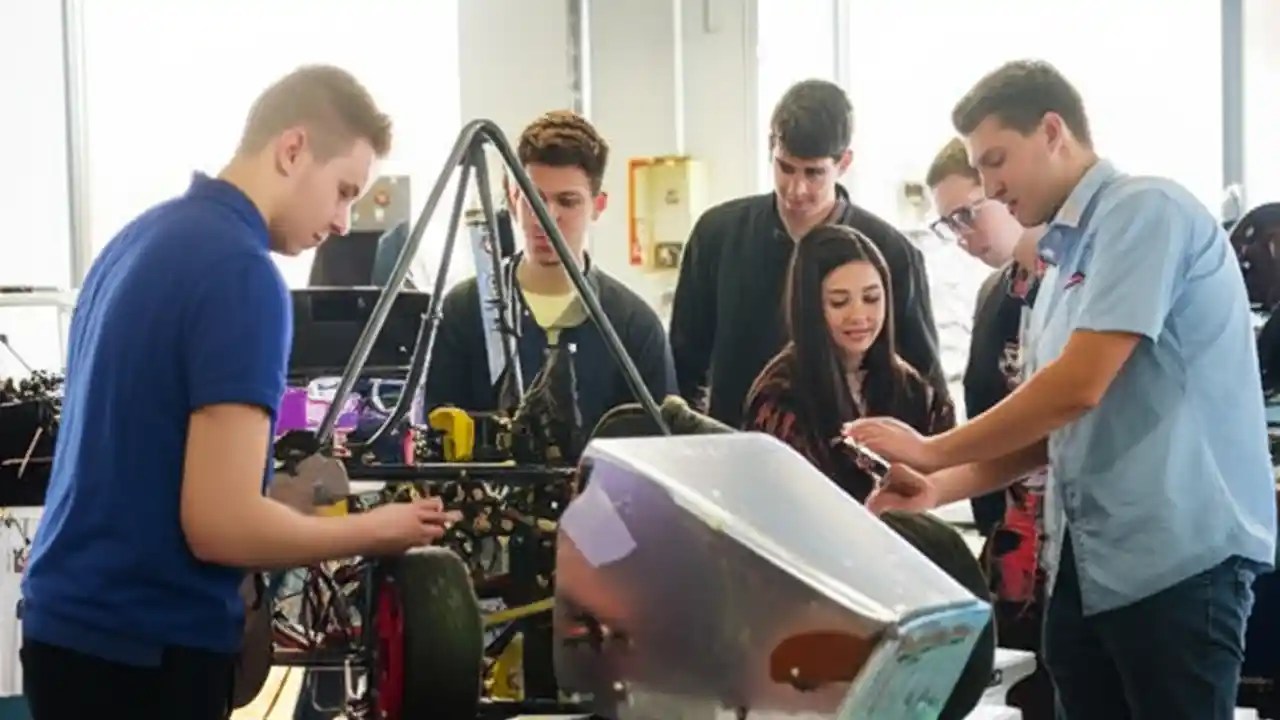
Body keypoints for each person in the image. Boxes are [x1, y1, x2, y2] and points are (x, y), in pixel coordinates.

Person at [19, 65, 459, 720]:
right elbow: (219, 528)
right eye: (343, 191)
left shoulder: (140, 238)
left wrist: (278, 503)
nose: (343, 222)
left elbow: (144, 457)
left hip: (67, 636)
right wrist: (377, 529)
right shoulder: (241, 274)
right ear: (292, 150)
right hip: (144, 658)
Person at [847, 59, 1277, 720]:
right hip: (1091, 568)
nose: (990, 186)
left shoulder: (1145, 210)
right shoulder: (1062, 262)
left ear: (1053, 131)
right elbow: (1058, 427)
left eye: (997, 160)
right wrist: (942, 486)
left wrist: (933, 449)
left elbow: (1079, 386)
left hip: (1178, 565)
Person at [669, 79, 945, 429]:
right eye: (786, 168)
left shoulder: (892, 252)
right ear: (771, 147)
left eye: (814, 173)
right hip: (735, 458)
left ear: (844, 162)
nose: (796, 189)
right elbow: (682, 366)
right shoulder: (717, 235)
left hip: (853, 471)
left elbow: (926, 385)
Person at [423, 110, 677, 439]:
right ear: (512, 200)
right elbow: (433, 439)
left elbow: (661, 454)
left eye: (567, 202)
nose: (547, 217)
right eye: (533, 199)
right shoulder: (464, 311)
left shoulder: (633, 326)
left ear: (598, 206)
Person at [926, 138, 1052, 719]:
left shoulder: (1071, 280)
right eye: (948, 224)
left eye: (967, 214)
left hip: (1075, 534)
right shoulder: (991, 294)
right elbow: (983, 415)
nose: (965, 236)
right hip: (1009, 540)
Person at [743, 224, 954, 503]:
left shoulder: (911, 386)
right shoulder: (779, 398)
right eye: (839, 302)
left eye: (871, 298)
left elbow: (949, 465)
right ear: (811, 307)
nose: (859, 315)